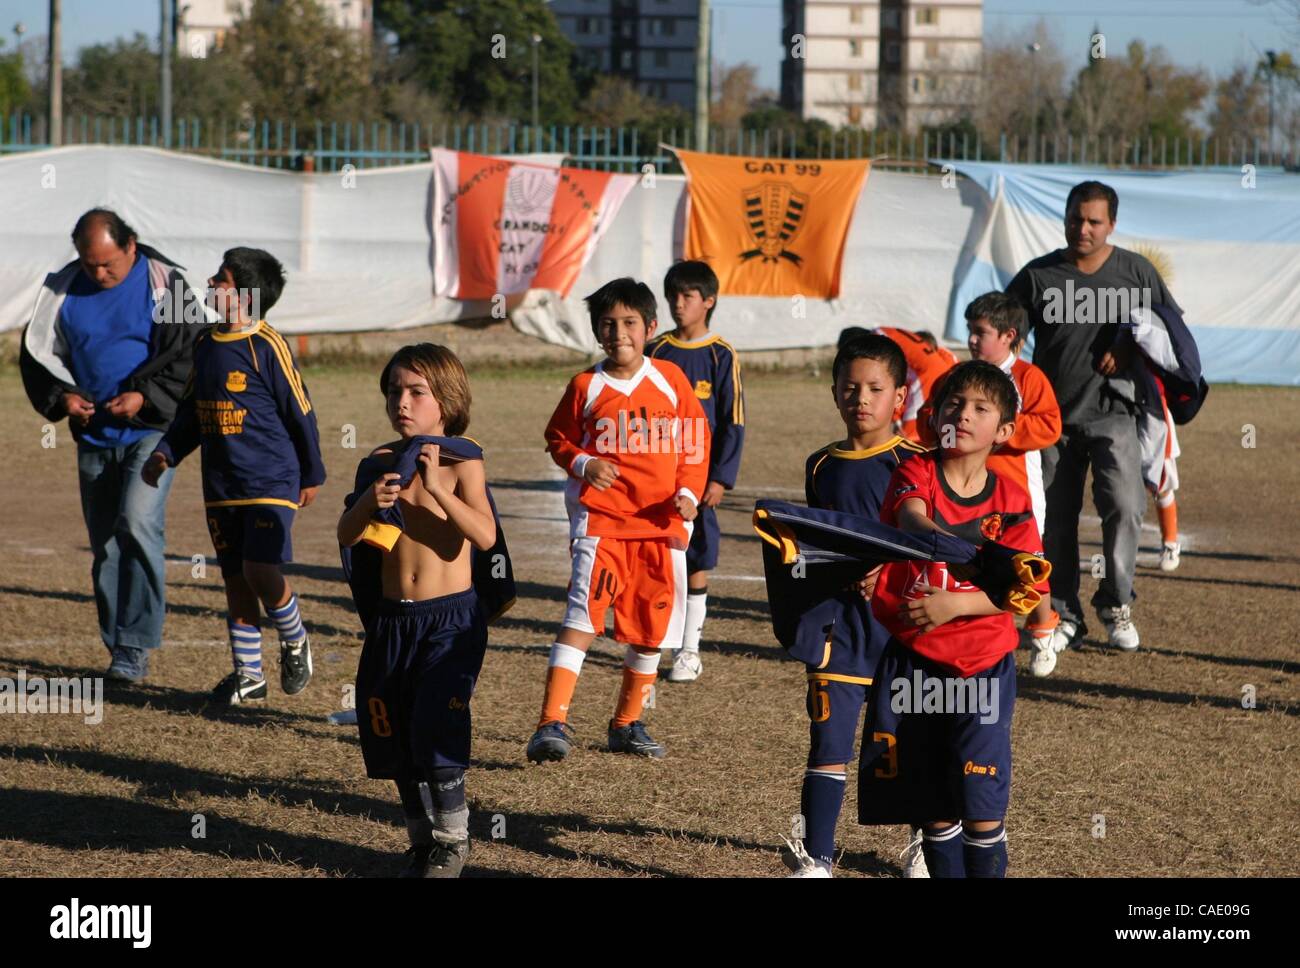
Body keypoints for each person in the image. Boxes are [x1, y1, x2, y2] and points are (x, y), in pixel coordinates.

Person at [861, 360, 1049, 878]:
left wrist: (956, 603)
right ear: (935, 414)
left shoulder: (1011, 501)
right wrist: (965, 552)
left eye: (980, 409)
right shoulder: (916, 472)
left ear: (1005, 430)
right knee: (935, 804)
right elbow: (913, 521)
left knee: (981, 800)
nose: (963, 415)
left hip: (982, 668)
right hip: (916, 663)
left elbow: (1026, 590)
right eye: (953, 404)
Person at [526, 278, 710, 762]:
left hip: (661, 526)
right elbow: (559, 439)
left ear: (651, 327)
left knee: (651, 631)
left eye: (629, 322)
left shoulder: (671, 380)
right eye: (608, 324)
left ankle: (627, 722)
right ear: (595, 331)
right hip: (602, 523)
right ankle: (552, 722)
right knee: (582, 617)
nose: (619, 332)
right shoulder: (585, 386)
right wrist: (585, 463)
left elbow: (695, 445)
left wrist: (688, 493)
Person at [20, 208, 208, 681]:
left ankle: (135, 645)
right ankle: (117, 642)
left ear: (131, 246)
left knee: (139, 521)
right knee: (105, 545)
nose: (100, 273)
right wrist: (62, 399)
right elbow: (37, 355)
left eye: (109, 264)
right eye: (90, 264)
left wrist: (145, 396)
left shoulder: (168, 284)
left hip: (153, 431)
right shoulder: (60, 289)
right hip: (94, 435)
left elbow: (191, 352)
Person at [337, 344, 501, 878]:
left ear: (446, 400)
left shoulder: (462, 459)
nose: (400, 403)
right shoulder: (378, 463)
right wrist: (369, 502)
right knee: (395, 731)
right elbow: (348, 536)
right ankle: (421, 839)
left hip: (449, 620)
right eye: (393, 392)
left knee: (436, 722)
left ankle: (453, 841)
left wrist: (435, 487)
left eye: (415, 392)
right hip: (393, 620)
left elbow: (484, 533)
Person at [143, 248, 324, 703]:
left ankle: (295, 636)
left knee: (259, 567)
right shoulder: (204, 345)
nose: (211, 282)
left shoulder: (268, 346)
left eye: (220, 279)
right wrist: (167, 451)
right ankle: (249, 675)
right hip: (221, 486)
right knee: (235, 580)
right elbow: (190, 412)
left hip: (270, 482)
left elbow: (300, 412)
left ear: (244, 295)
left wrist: (311, 473)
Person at [1007, 180, 1181, 653]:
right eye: (1075, 218)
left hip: (1115, 414)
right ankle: (1064, 614)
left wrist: (1131, 343)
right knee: (1054, 520)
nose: (1082, 228)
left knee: (1125, 506)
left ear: (1112, 225)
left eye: (1093, 221)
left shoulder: (1136, 272)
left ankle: (1116, 601)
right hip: (1049, 420)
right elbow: (1005, 336)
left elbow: (1171, 330)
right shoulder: (1037, 276)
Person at [784, 334, 930, 879]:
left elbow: (933, 548)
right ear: (835, 393)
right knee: (828, 741)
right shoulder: (821, 466)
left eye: (875, 388)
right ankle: (817, 858)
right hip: (841, 627)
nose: (861, 399)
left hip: (906, 630)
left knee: (911, 740)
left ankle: (924, 847)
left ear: (900, 396)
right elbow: (819, 544)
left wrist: (888, 573)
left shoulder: (919, 462)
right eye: (850, 388)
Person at [918, 293, 1064, 676]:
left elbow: (1050, 425)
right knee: (962, 557)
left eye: (980, 332)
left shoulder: (1029, 378)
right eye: (969, 331)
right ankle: (958, 622)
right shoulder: (957, 379)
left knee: (1027, 563)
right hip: (959, 492)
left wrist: (994, 434)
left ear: (1008, 336)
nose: (971, 340)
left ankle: (1043, 628)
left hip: (1014, 492)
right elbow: (926, 419)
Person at [646, 260, 746, 683]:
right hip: (655, 477)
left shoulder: (721, 354)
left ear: (708, 301)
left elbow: (733, 420)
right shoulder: (657, 350)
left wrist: (720, 478)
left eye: (687, 296)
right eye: (673, 295)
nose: (678, 304)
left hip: (699, 479)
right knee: (653, 558)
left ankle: (689, 650)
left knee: (697, 559)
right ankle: (649, 642)